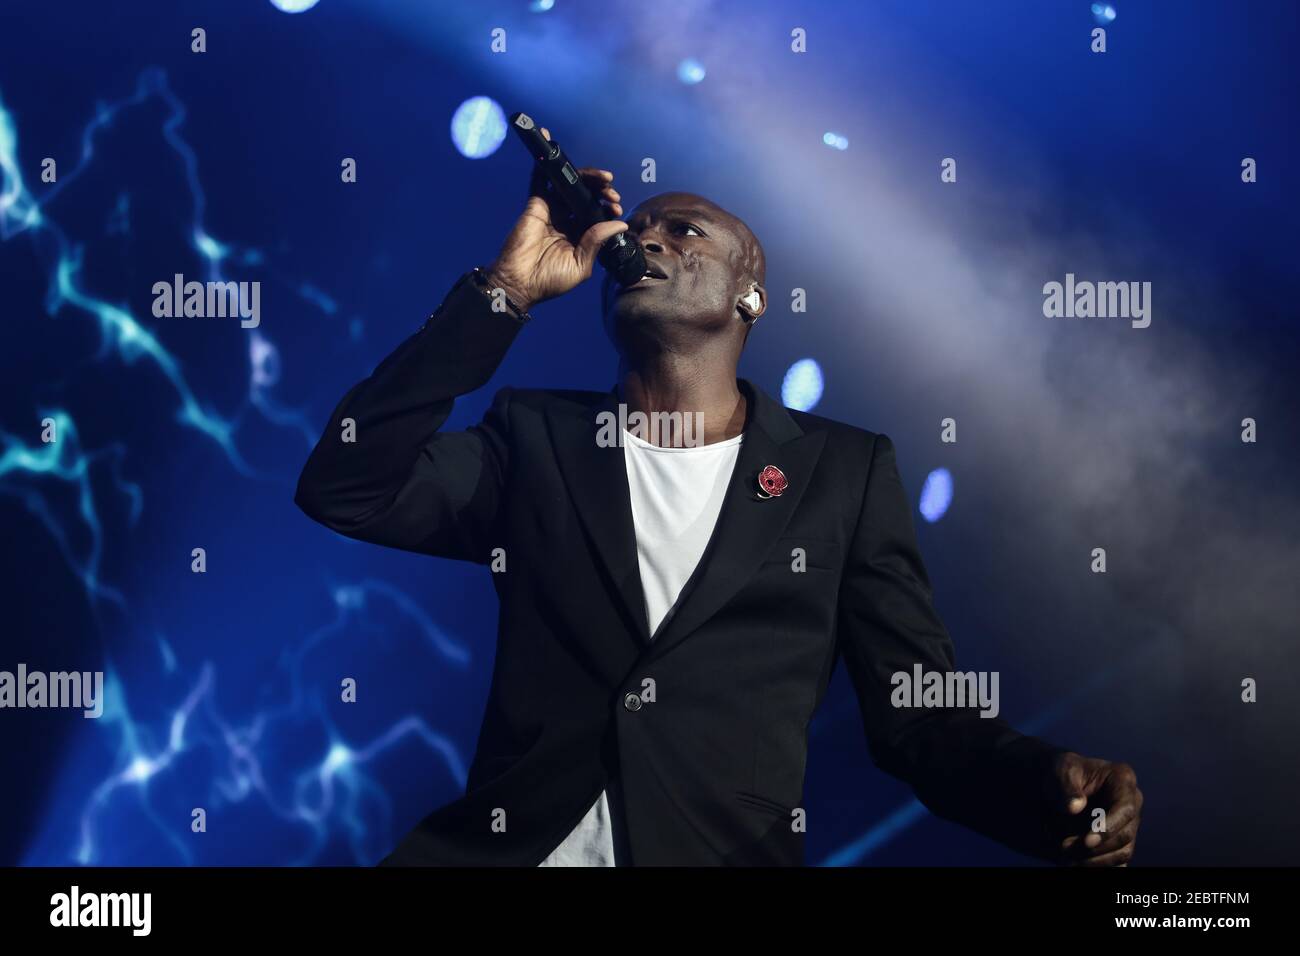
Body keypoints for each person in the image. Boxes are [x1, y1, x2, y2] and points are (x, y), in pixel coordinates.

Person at [294, 135, 1142, 866]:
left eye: (682, 230)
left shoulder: (842, 473)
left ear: (750, 295)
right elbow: (347, 486)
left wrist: (1044, 781)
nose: (643, 239)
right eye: (638, 226)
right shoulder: (536, 439)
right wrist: (503, 293)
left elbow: (920, 717)